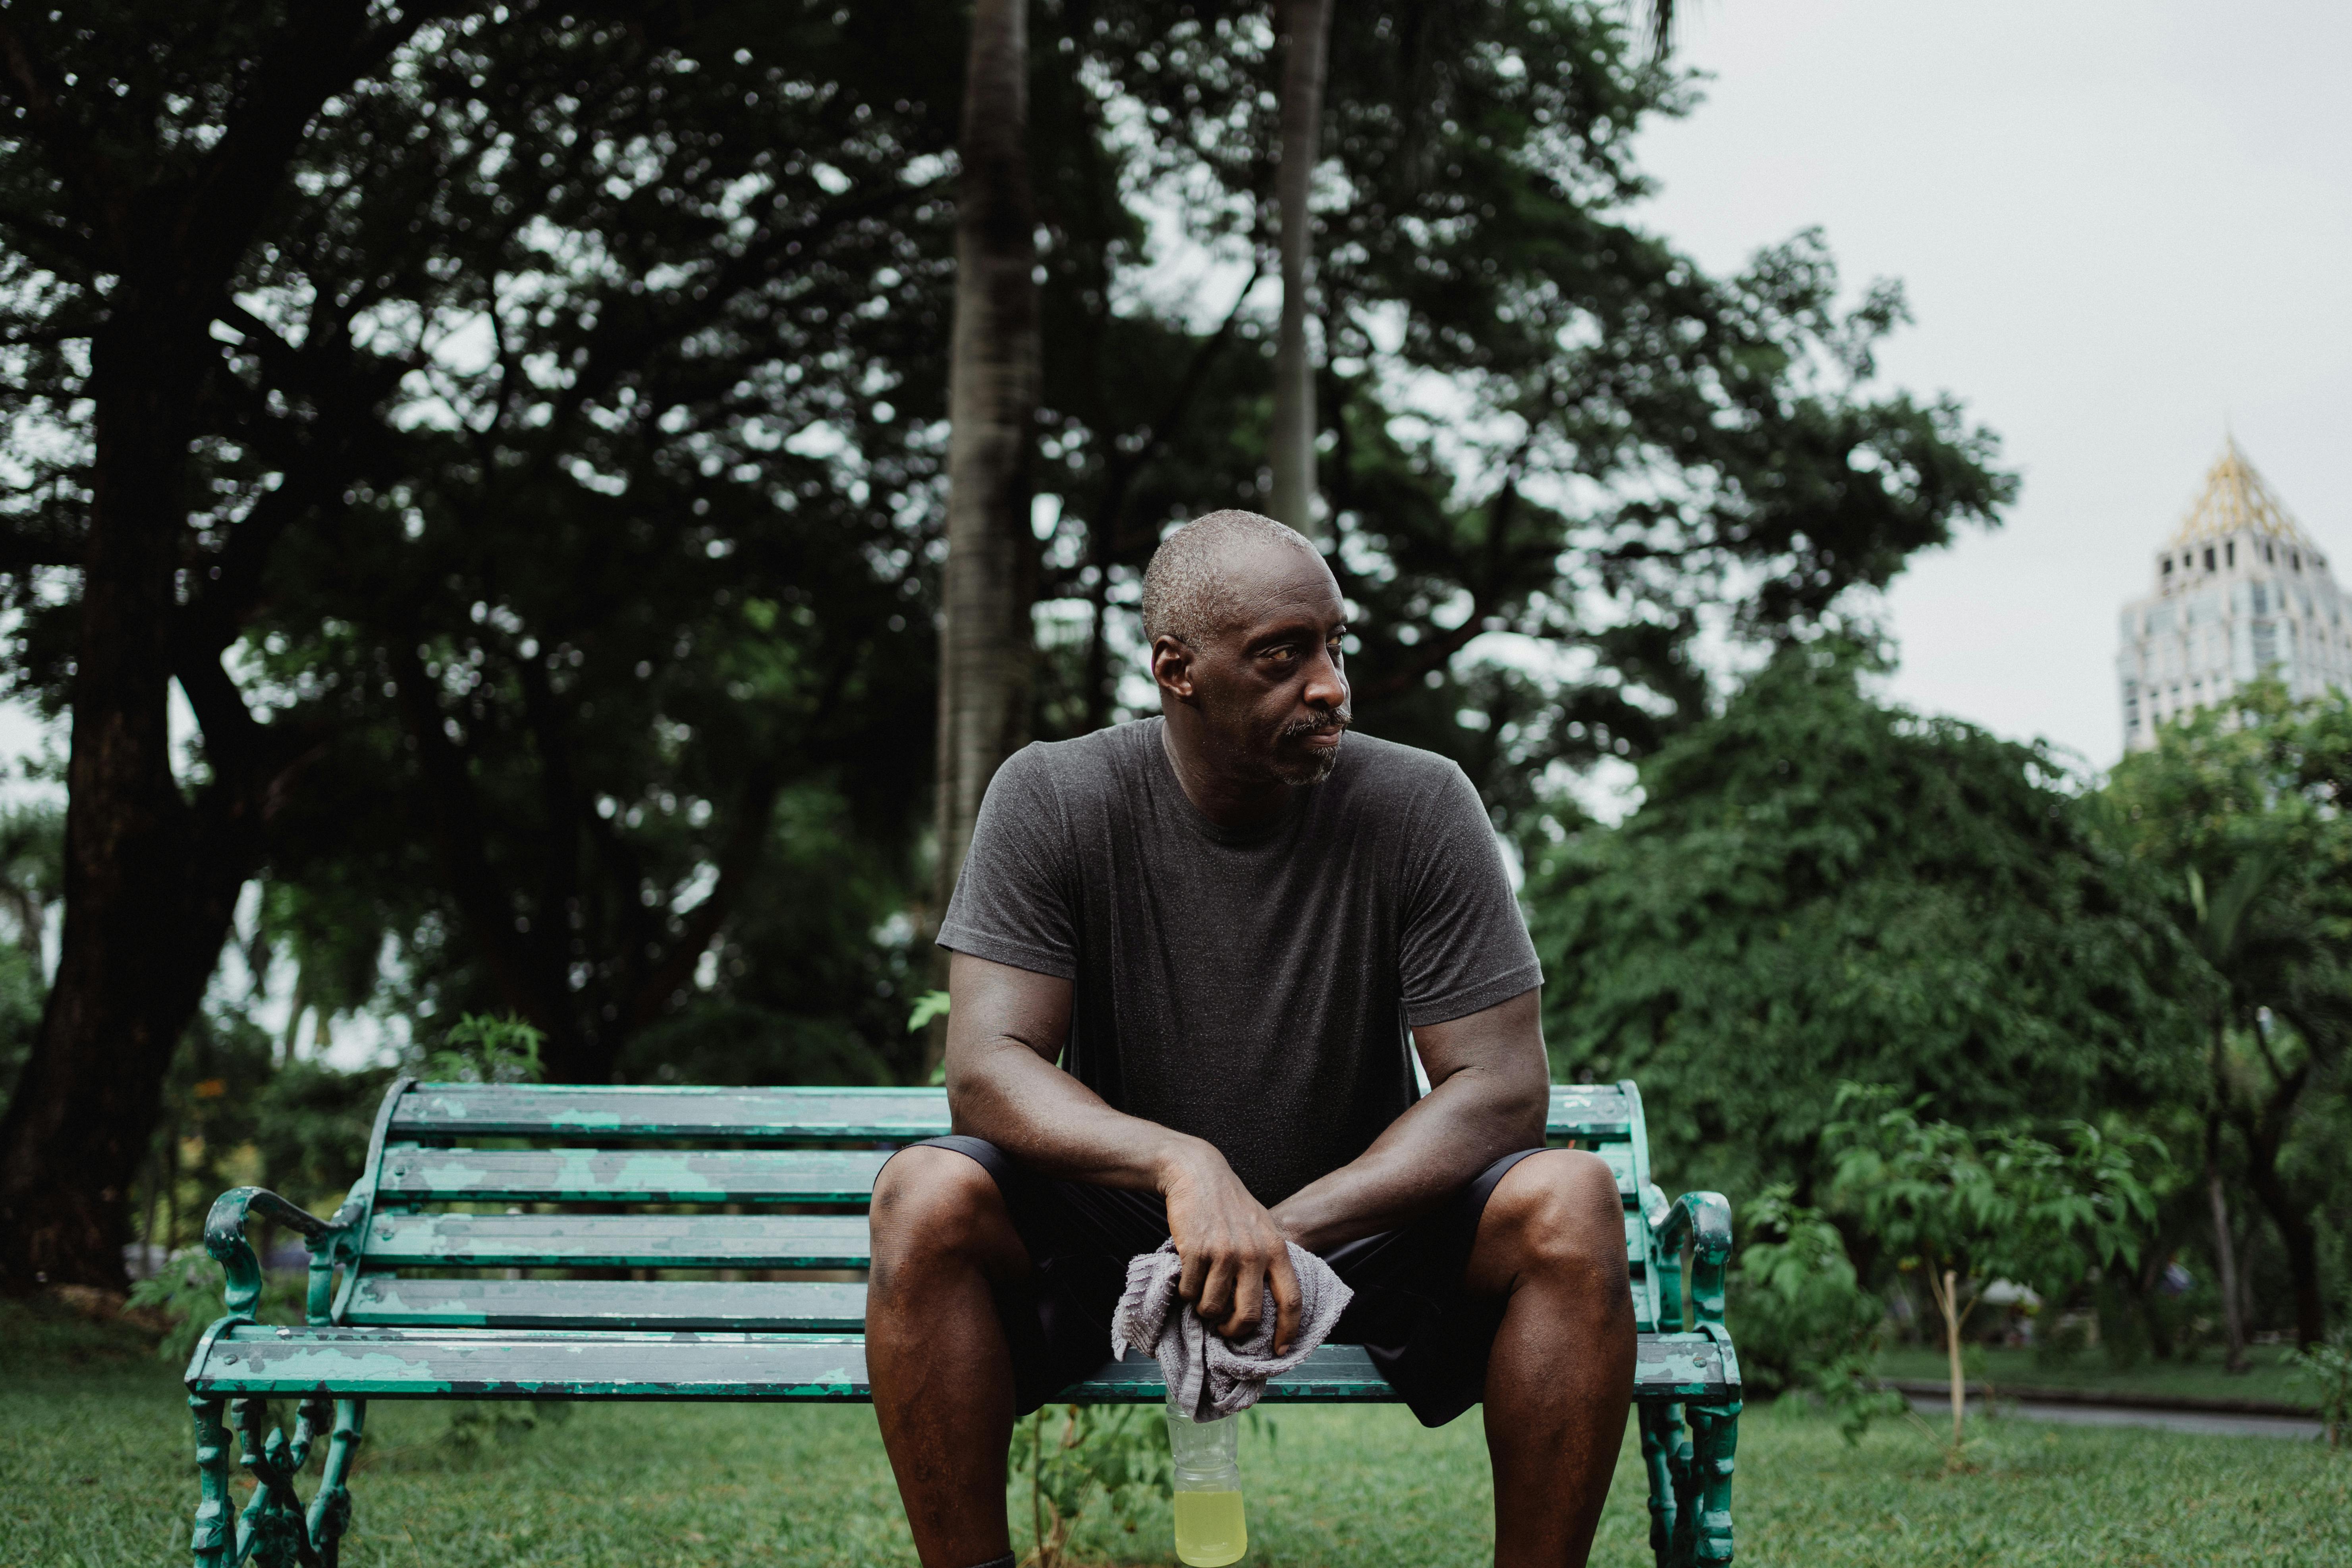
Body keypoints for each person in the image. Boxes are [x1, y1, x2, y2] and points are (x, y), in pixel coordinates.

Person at [868, 510, 1635, 1568]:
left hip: (1368, 1229)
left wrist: (1279, 1227)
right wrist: (1183, 1166)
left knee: (1571, 1200)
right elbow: (987, 1071)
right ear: (1176, 670)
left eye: (1334, 645)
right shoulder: (1051, 796)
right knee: (926, 1194)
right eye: (1282, 656)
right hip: (1115, 1236)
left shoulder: (1419, 803)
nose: (1329, 686)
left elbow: (1499, 1087)